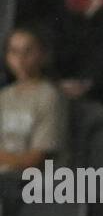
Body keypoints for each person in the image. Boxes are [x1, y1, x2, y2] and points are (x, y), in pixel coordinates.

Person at [0, 25, 67, 178]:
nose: (20, 59)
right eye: (14, 52)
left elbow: (36, 159)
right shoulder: (4, 96)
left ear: (43, 55)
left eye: (28, 51)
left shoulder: (49, 96)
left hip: (33, 182)